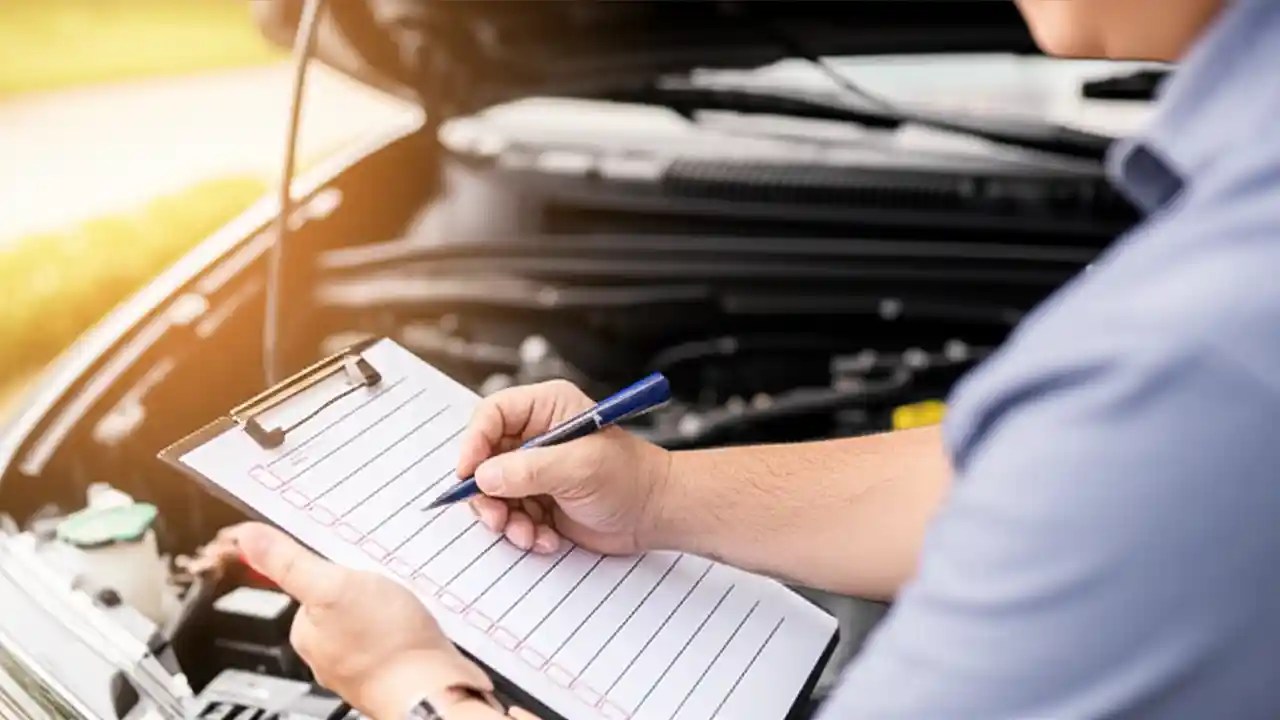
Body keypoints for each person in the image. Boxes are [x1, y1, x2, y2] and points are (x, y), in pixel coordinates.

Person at [220, 0, 1280, 717]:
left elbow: (1127, 454)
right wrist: (661, 490)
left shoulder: (1200, 355)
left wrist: (411, 680)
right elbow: (1035, 484)